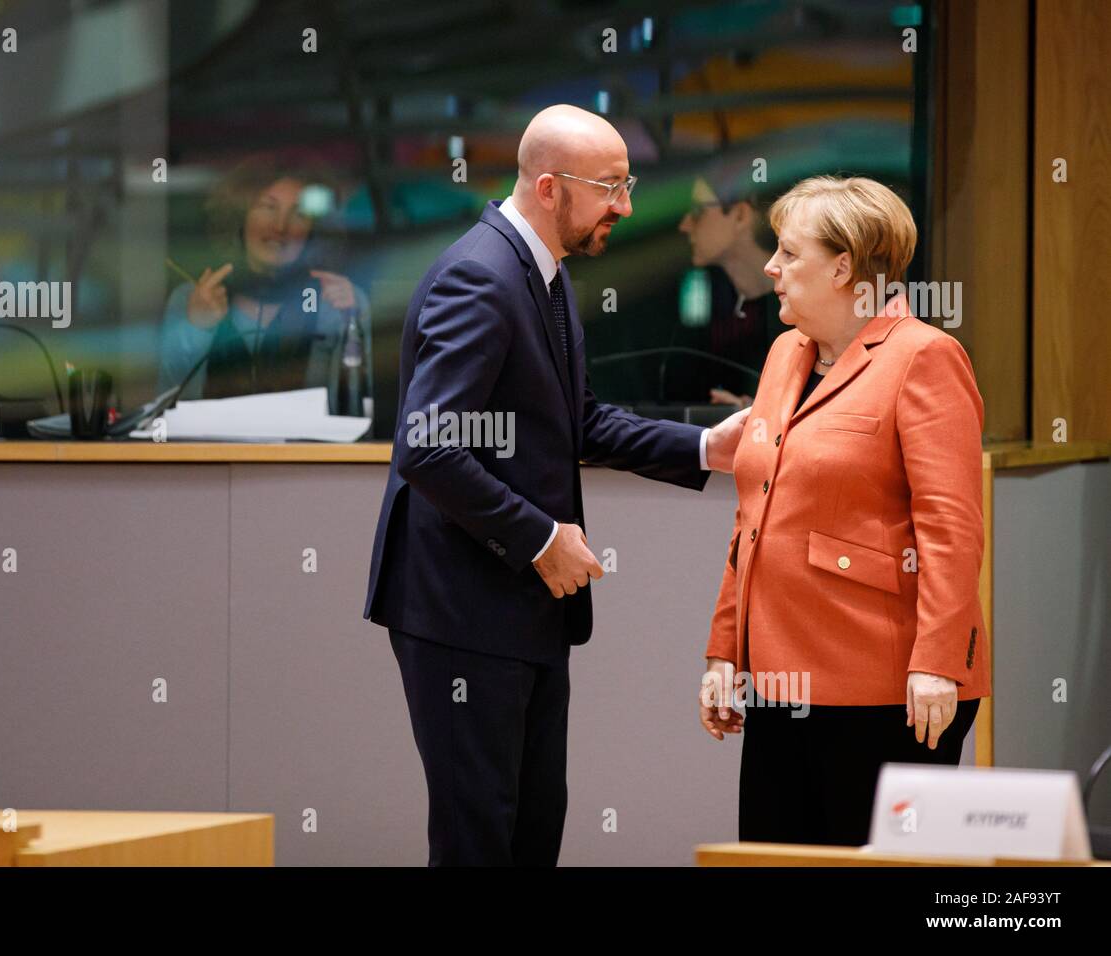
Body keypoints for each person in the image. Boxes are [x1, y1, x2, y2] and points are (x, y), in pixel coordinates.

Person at [365, 104, 750, 866]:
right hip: (463, 611)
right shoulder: (481, 277)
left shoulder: (541, 272)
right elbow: (428, 446)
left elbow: (577, 423)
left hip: (516, 609)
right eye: (611, 187)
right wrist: (541, 539)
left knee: (532, 833)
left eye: (628, 183)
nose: (627, 206)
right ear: (549, 187)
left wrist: (709, 446)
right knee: (482, 842)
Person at [697, 175, 992, 847]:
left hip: (889, 687)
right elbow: (753, 519)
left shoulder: (925, 357)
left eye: (788, 253)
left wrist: (938, 663)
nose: (770, 267)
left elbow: (951, 530)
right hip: (781, 680)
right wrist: (724, 651)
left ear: (844, 267)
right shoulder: (785, 354)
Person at [157, 163, 371, 415]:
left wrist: (349, 322)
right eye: (268, 208)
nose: (280, 227)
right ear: (239, 219)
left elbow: (358, 415)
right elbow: (163, 411)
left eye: (299, 213)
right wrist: (196, 330)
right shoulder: (192, 298)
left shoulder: (333, 300)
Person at [677, 175, 779, 409]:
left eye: (697, 212)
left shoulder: (798, 313)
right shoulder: (713, 301)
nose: (684, 224)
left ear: (741, 216)